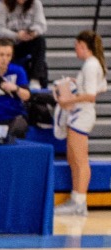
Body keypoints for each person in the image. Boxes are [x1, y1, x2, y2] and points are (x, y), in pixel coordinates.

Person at [57, 31, 105, 215]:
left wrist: (67, 100)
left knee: (80, 160)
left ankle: (79, 202)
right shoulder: (92, 65)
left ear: (82, 45)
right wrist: (76, 83)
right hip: (80, 113)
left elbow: (91, 96)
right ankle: (76, 199)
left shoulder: (91, 66)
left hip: (82, 115)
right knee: (73, 158)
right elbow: (101, 87)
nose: (74, 49)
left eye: (76, 45)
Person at [0, 0, 48, 85]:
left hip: (24, 43)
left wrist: (33, 32)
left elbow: (42, 25)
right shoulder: (2, 5)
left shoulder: (36, 3)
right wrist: (16, 35)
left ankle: (35, 80)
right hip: (6, 43)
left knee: (40, 41)